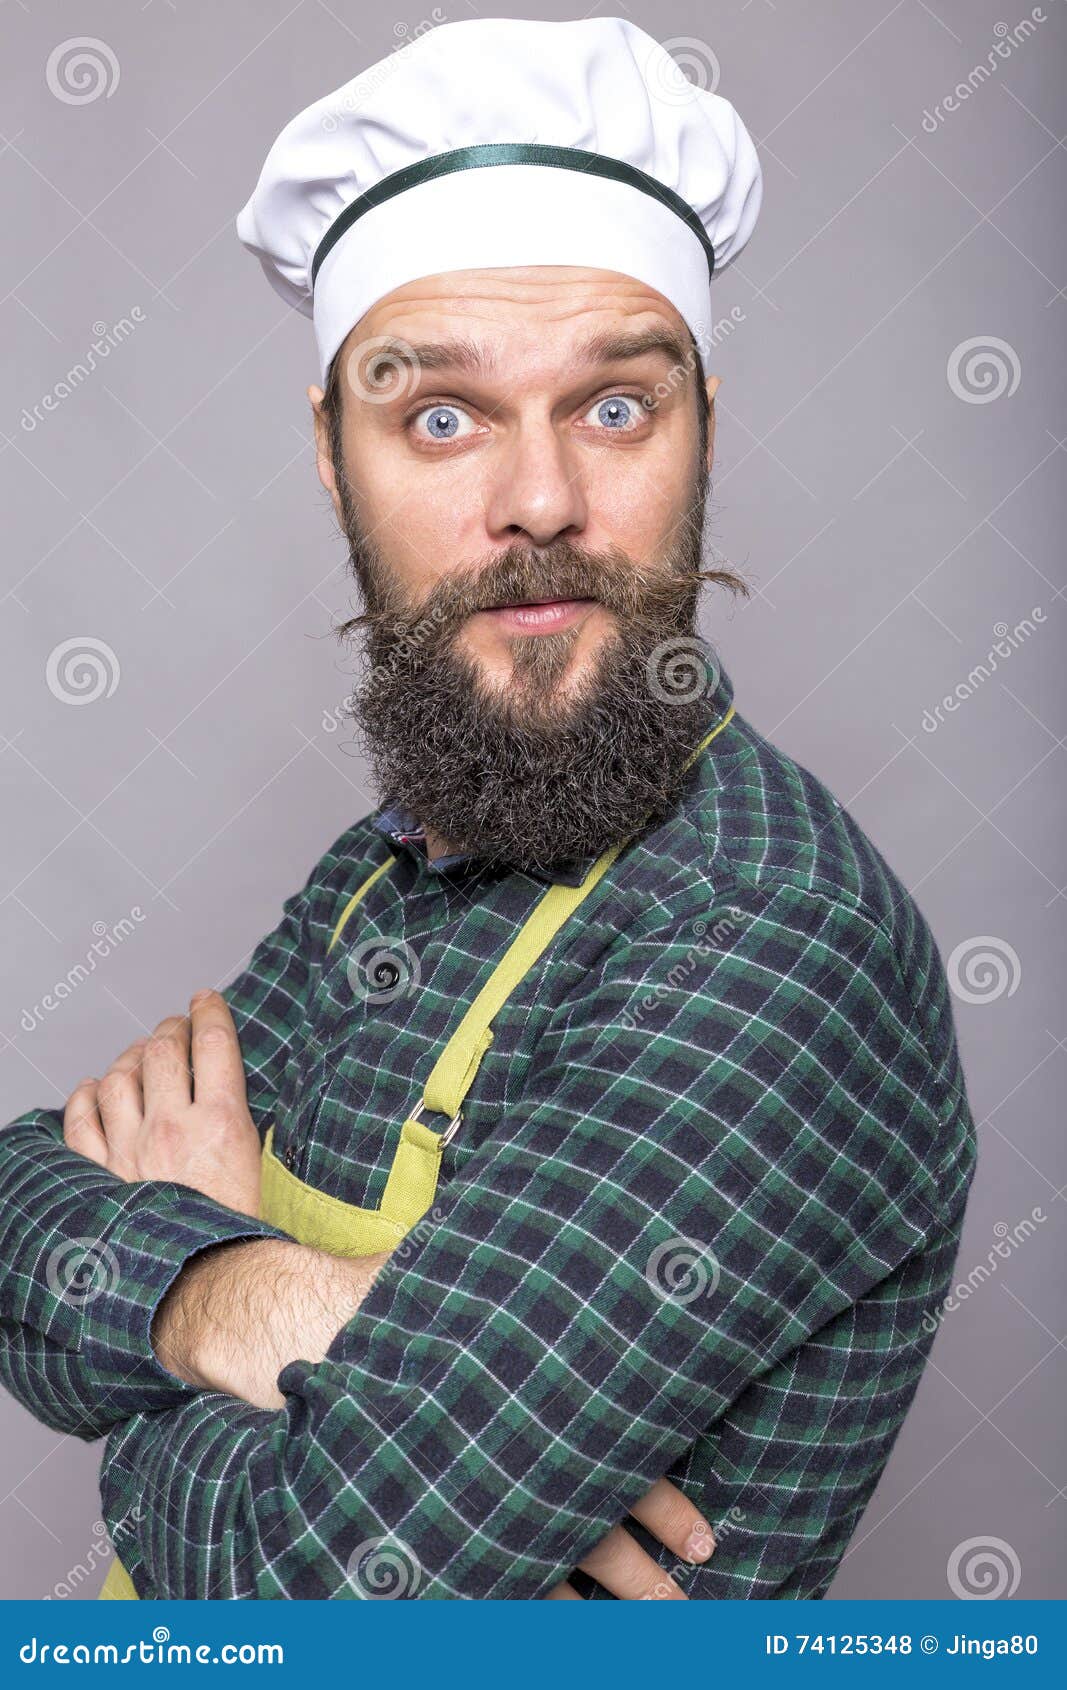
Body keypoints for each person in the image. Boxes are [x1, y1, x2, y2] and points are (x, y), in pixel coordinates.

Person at [0, 16, 976, 1601]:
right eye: (441, 415)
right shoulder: (386, 872)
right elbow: (14, 1200)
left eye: (615, 406)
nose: (539, 500)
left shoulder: (769, 940)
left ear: (703, 431)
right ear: (334, 457)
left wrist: (165, 1297)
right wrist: (248, 1293)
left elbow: (314, 1582)